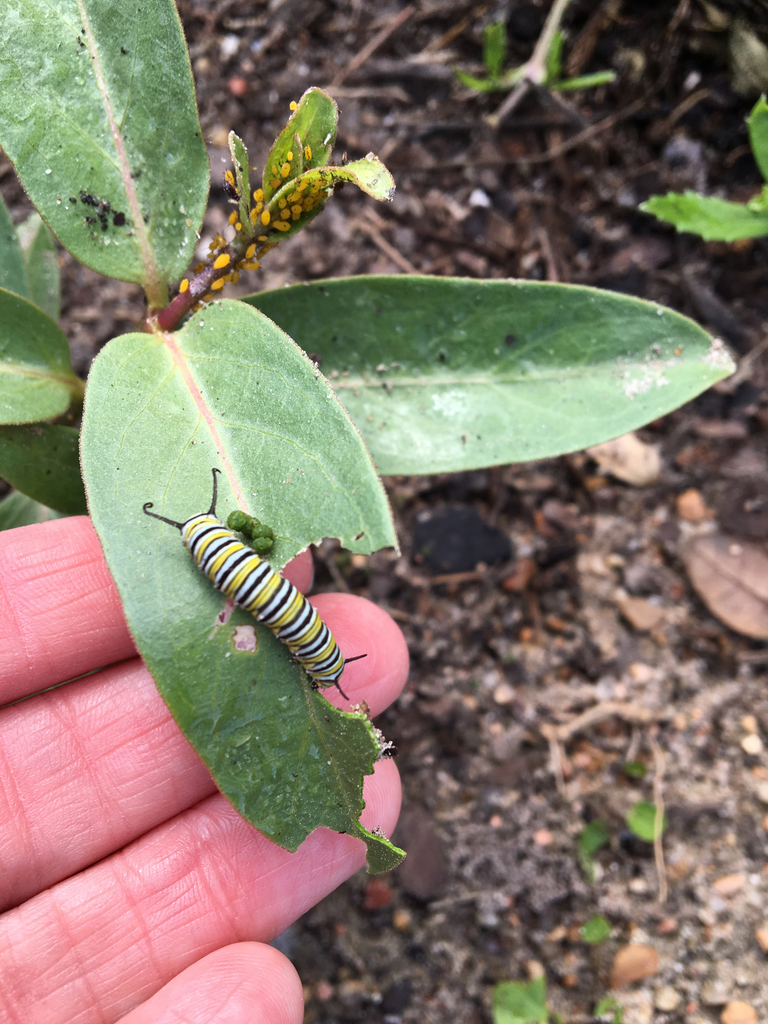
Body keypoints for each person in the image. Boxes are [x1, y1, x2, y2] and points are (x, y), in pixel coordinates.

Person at [0, 516, 407, 1024]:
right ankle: (208, 540)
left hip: (235, 569)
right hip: (230, 565)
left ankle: (210, 542)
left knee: (281, 607)